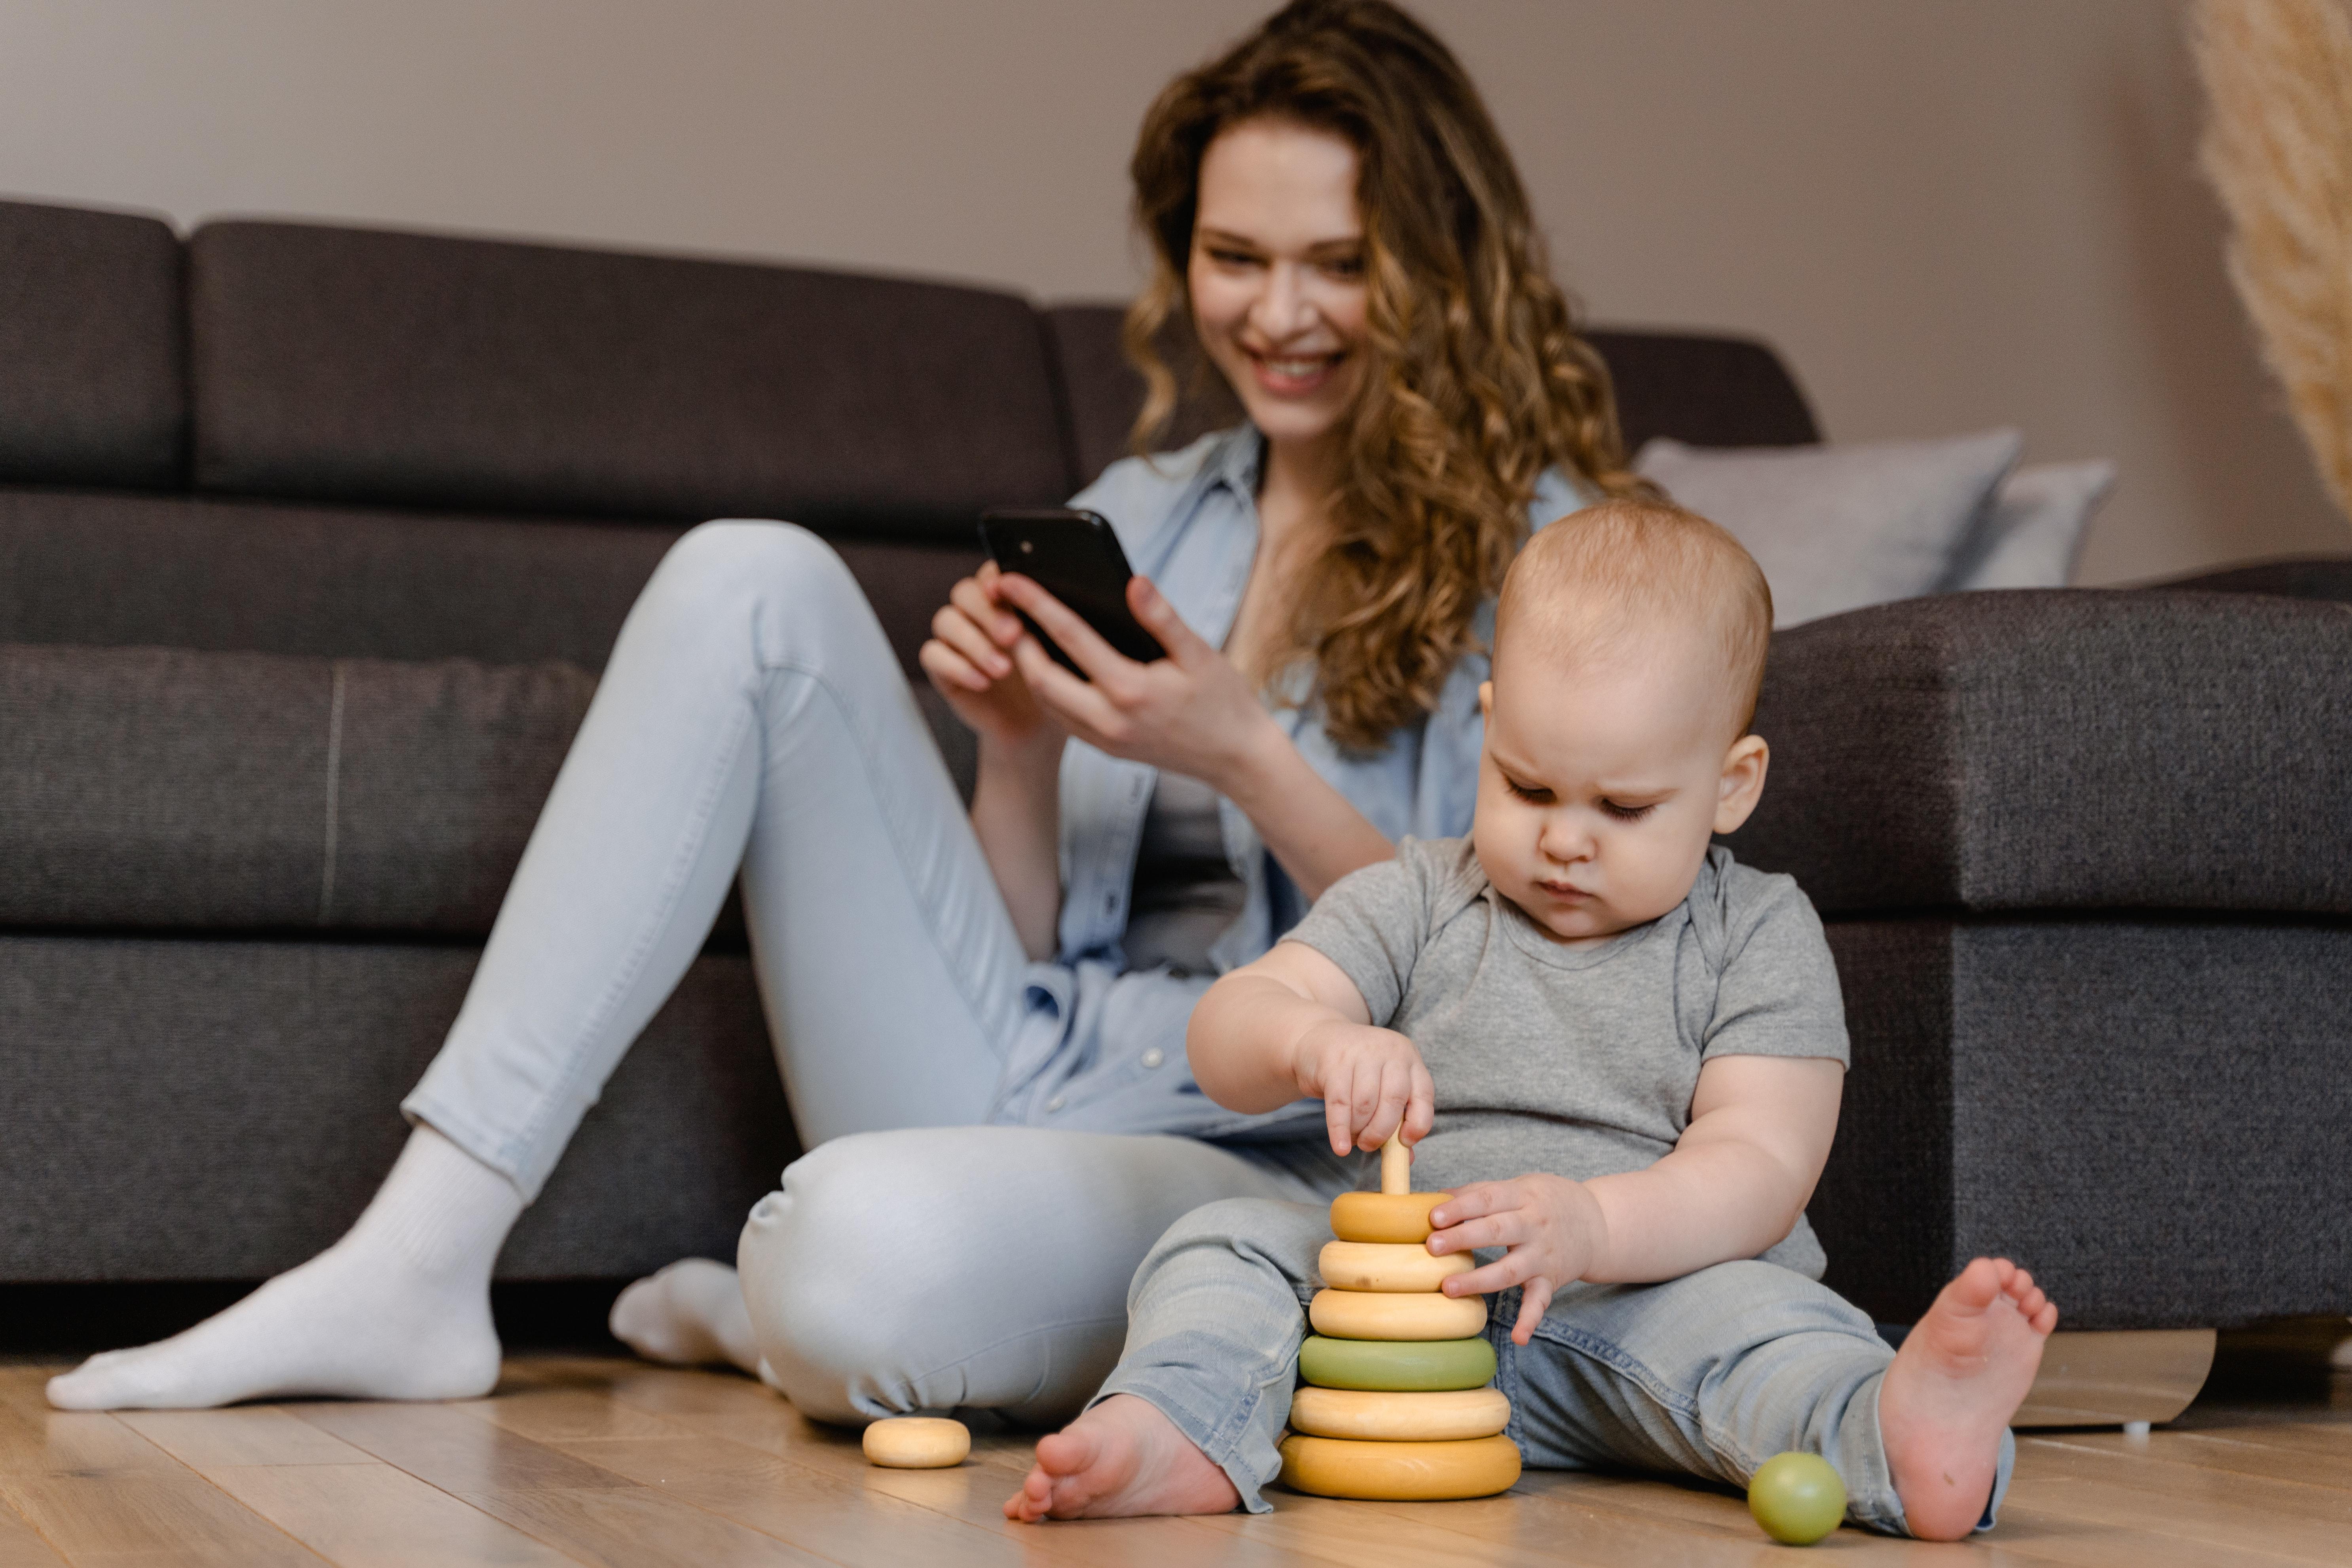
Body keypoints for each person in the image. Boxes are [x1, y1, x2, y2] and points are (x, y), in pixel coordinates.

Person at [47, 0, 1648, 1418]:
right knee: (750, 577)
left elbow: (1514, 992)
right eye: (1234, 259)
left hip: (1260, 1151)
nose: (1275, 315)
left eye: (1338, 265)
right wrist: (1016, 751)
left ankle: (778, 1308)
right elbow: (1015, 935)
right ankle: (419, 1250)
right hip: (1028, 1057)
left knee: (852, 1268)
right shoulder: (1151, 511)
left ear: (1438, 270)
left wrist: (1236, 748)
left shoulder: (1555, 550)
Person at [1005, 501, 2058, 1541]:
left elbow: (1761, 1161)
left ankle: (1898, 1433)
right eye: (1528, 783)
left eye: (1623, 808)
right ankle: (1179, 1425)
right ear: (1490, 724)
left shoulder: (1759, 932)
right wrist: (1314, 1040)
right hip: (1406, 1311)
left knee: (1772, 1332)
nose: (1565, 839)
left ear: (1730, 786)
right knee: (1224, 1244)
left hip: (1641, 1298)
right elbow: (1229, 1032)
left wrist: (1595, 1226)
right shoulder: (1418, 895)